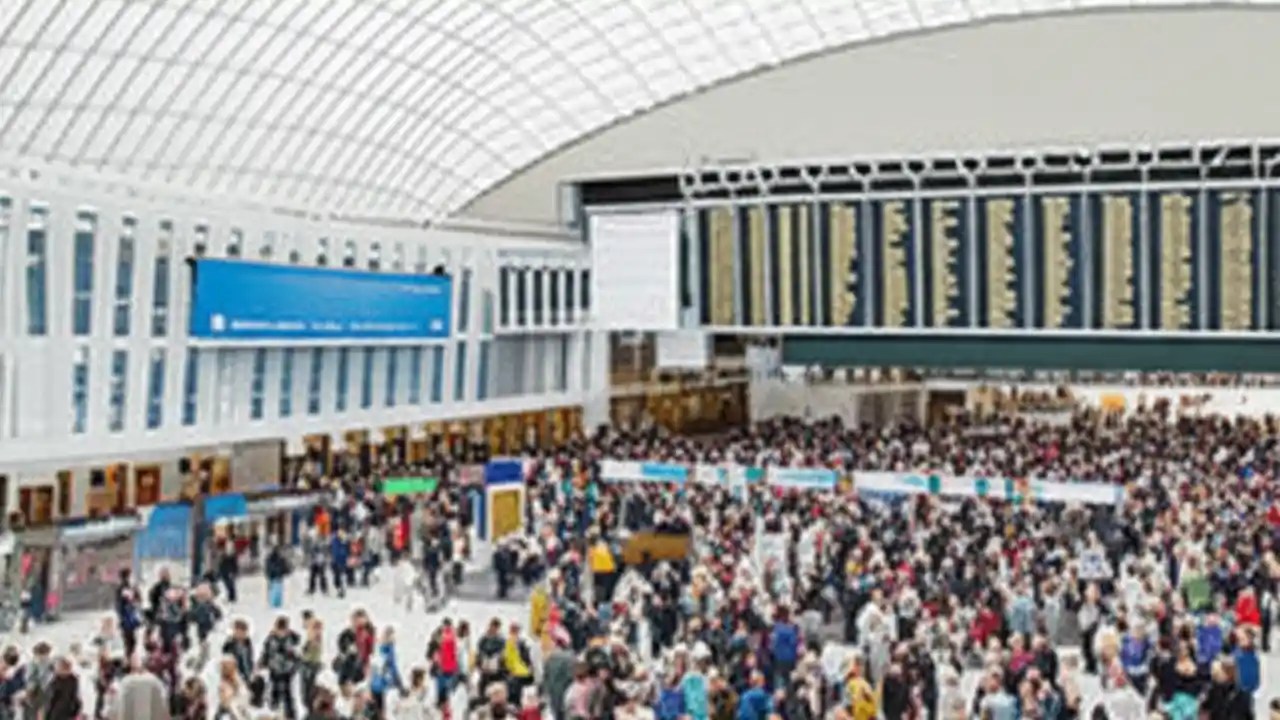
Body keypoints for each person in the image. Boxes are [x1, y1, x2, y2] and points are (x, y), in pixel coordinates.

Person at [260, 615, 300, 720]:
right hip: (275, 669)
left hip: (287, 670)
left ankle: (290, 715)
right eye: (279, 630)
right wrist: (263, 662)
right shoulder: (270, 640)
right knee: (275, 691)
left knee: (287, 693)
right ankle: (273, 710)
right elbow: (266, 653)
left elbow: (297, 653)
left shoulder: (291, 639)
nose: (281, 633)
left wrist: (295, 664)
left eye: (284, 630)